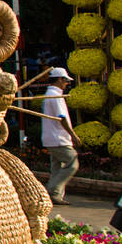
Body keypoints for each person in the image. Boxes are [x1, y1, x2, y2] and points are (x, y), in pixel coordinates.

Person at [41, 68, 79, 206]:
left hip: (51, 138)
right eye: (65, 81)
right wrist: (73, 135)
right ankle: (52, 190)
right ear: (59, 79)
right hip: (58, 138)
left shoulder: (50, 94)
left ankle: (54, 195)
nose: (66, 84)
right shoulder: (55, 95)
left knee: (57, 168)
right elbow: (61, 118)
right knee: (72, 163)